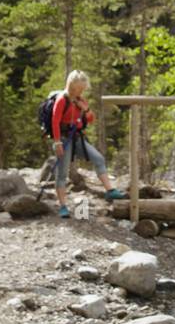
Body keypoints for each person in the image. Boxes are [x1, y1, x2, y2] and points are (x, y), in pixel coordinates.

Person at [50, 70, 125, 218]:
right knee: (62, 173)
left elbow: (91, 119)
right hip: (63, 139)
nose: (82, 90)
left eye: (83, 87)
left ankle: (110, 192)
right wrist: (57, 142)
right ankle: (63, 206)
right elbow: (55, 122)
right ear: (72, 85)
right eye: (80, 87)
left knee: (98, 158)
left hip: (77, 137)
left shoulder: (80, 100)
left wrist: (86, 109)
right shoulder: (61, 100)